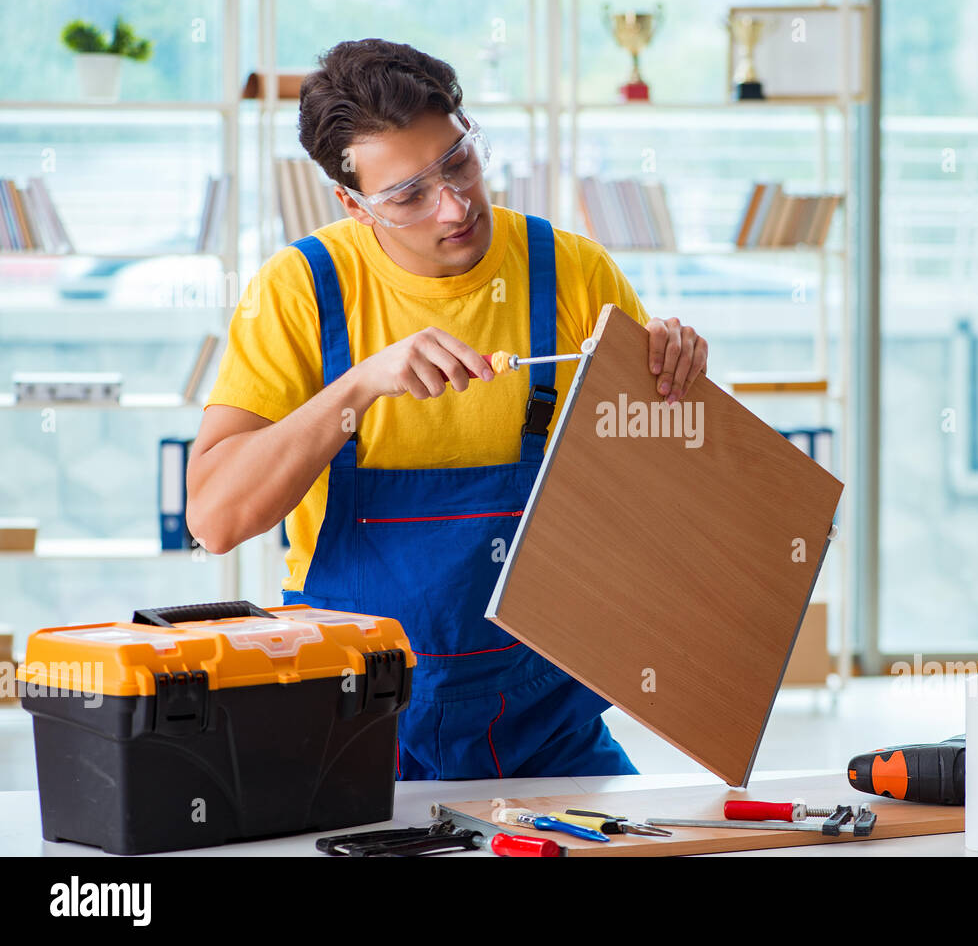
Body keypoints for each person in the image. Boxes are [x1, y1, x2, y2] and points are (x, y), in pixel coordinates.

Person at [186, 39, 708, 780]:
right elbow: (214, 519)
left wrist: (672, 379)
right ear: (353, 204)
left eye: (459, 162)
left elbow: (659, 499)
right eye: (408, 195)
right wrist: (355, 389)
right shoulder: (299, 291)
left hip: (546, 723)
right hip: (353, 720)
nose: (455, 206)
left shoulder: (572, 272)